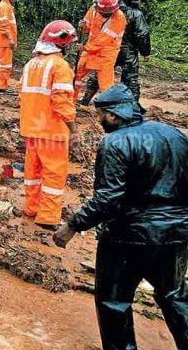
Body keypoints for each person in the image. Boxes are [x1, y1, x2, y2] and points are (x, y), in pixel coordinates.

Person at [54, 84, 188, 350]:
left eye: (101, 115)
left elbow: (108, 200)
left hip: (129, 237)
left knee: (114, 302)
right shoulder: (174, 134)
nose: (99, 120)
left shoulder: (115, 142)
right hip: (178, 233)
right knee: (175, 295)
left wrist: (71, 226)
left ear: (113, 115)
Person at [20, 20, 80, 230]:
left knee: (33, 172)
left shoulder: (30, 65)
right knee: (53, 175)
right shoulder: (59, 66)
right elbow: (62, 102)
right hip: (52, 131)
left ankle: (32, 208)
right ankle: (47, 217)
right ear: (62, 42)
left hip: (31, 127)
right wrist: (74, 130)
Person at [81, 0, 151, 104]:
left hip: (108, 48)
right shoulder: (136, 14)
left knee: (98, 74)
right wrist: (145, 52)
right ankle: (132, 107)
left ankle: (85, 101)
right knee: (131, 79)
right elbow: (142, 34)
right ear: (138, 1)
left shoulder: (113, 10)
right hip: (127, 51)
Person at [73, 0, 127, 102]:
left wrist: (85, 47)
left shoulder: (120, 18)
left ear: (115, 9)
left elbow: (104, 40)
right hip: (90, 50)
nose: (104, 14)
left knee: (105, 84)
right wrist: (83, 26)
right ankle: (71, 100)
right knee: (75, 75)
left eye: (107, 13)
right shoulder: (93, 9)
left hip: (106, 53)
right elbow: (87, 27)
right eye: (102, 12)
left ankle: (109, 110)